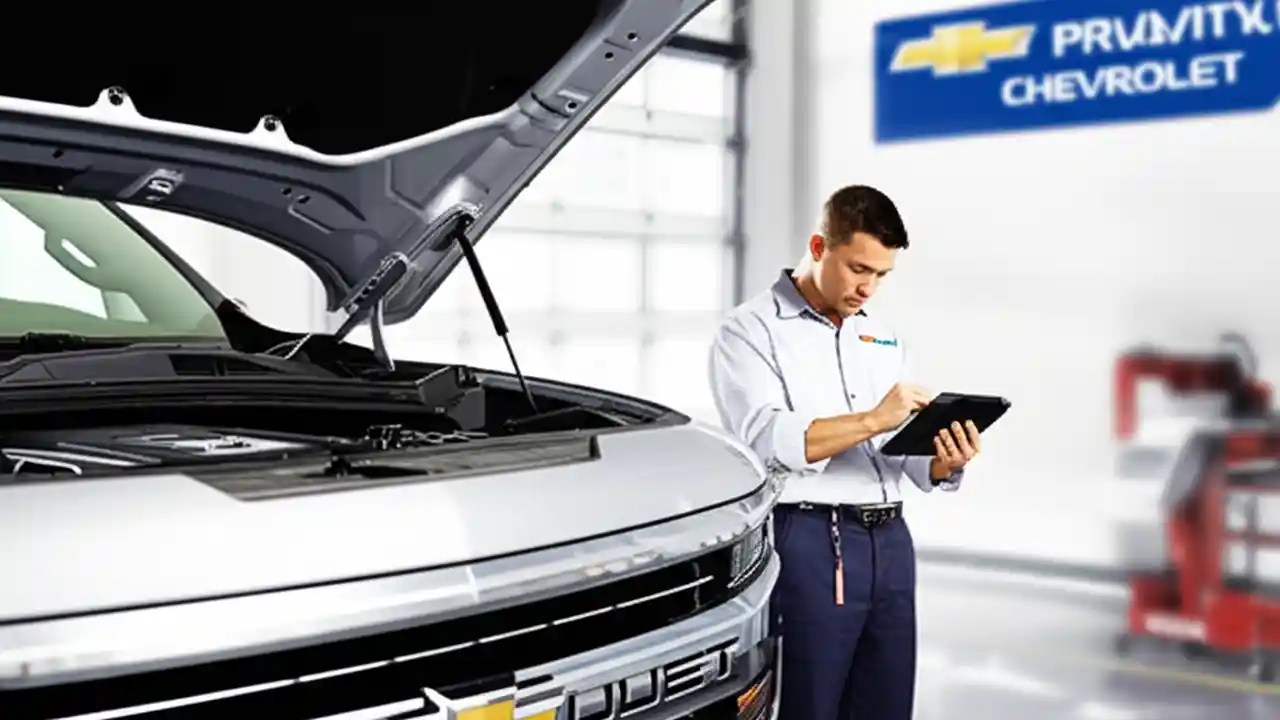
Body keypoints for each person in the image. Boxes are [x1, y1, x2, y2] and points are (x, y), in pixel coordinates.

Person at [707, 184, 983, 720]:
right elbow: (767, 441)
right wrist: (876, 417)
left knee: (886, 705)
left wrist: (942, 461)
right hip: (811, 540)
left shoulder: (881, 338)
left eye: (882, 275)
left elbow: (895, 456)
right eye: (859, 268)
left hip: (892, 543)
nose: (869, 287)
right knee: (809, 704)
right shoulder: (748, 331)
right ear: (817, 246)